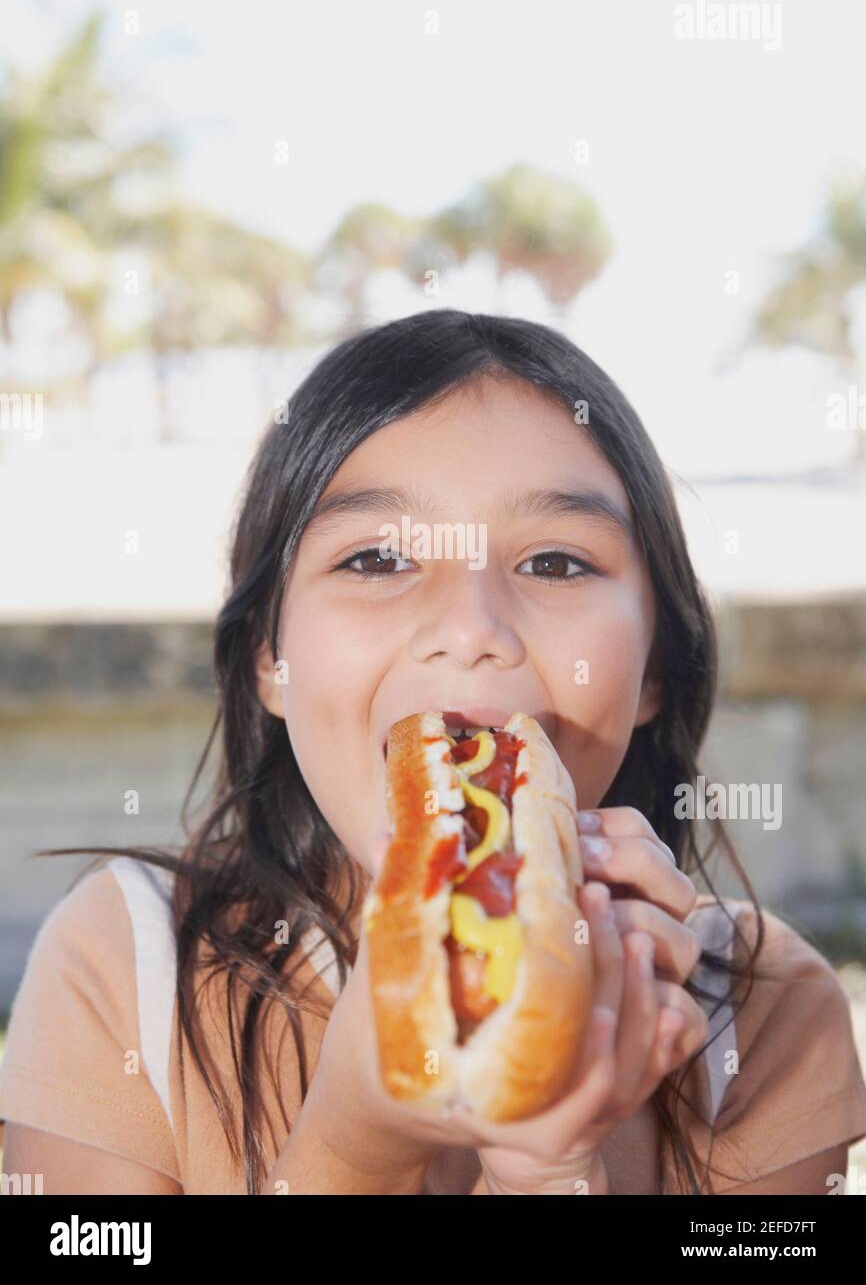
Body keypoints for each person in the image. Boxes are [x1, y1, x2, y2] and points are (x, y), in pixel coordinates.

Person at [3, 309, 865, 1195]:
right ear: (271, 658)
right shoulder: (125, 968)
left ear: (655, 666)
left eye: (557, 563)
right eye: (377, 559)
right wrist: (354, 1141)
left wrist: (553, 1173)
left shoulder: (766, 1015)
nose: (470, 630)